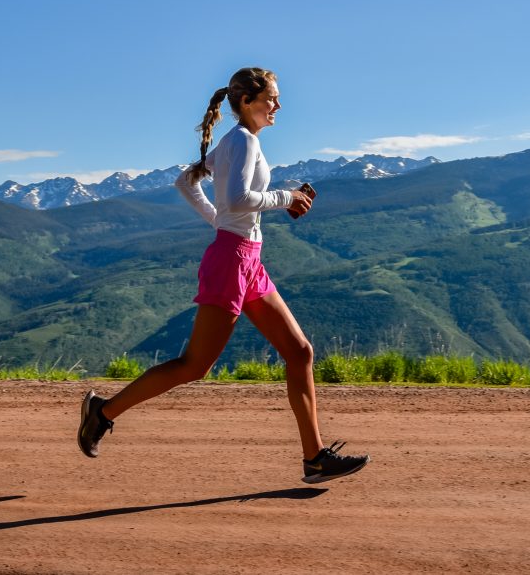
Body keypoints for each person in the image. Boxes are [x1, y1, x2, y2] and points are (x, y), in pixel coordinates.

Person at [78, 66, 369, 484]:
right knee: (194, 365)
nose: (278, 105)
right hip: (233, 261)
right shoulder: (243, 141)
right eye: (272, 98)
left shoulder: (238, 142)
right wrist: (286, 197)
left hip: (247, 258)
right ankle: (101, 412)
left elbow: (187, 182)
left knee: (300, 352)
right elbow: (236, 198)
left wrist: (221, 222)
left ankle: (315, 458)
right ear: (247, 102)